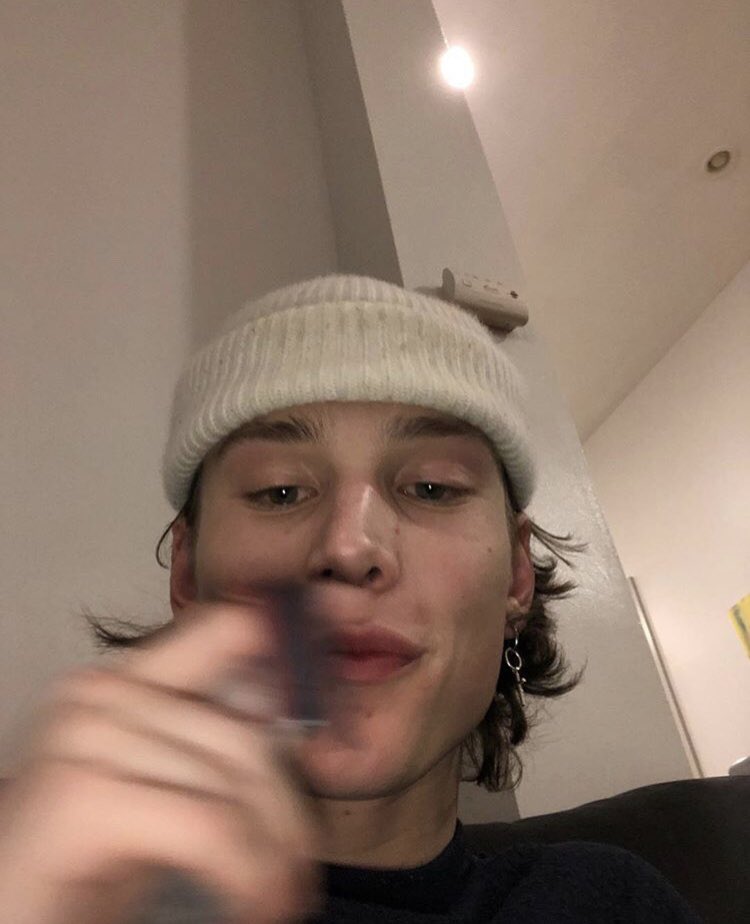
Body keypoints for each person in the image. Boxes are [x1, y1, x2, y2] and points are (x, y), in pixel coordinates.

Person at [0, 275, 703, 923]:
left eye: (432, 488)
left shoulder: (614, 903)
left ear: (517, 576)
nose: (349, 546)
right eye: (280, 491)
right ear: (187, 570)